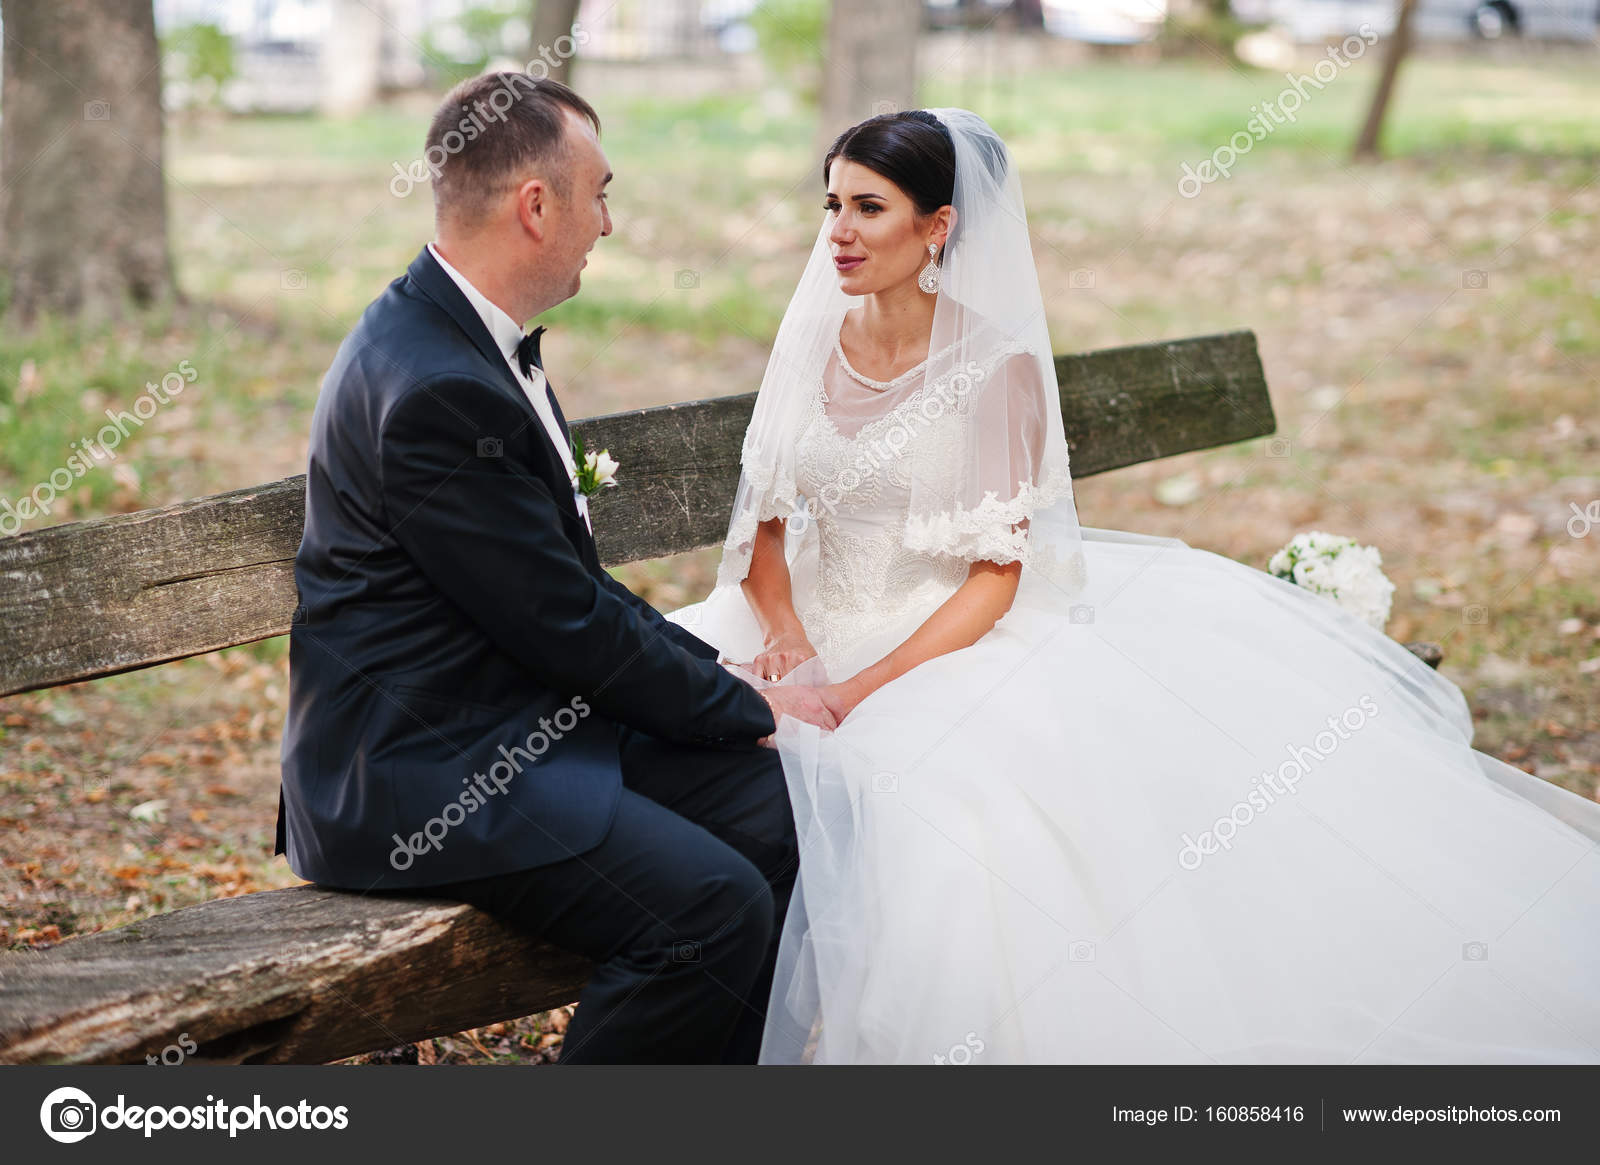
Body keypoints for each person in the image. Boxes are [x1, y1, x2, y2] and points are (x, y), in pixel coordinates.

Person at [666, 107, 1600, 1064]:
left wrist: (850, 695)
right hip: (808, 623)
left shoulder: (994, 368)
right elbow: (765, 528)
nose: (839, 231)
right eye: (831, 205)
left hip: (945, 641)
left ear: (937, 226)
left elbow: (994, 579)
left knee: (954, 839)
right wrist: (785, 634)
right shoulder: (811, 342)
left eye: (869, 207)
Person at [275, 73, 834, 1064]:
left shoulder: (462, 338)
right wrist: (746, 709)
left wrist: (729, 690)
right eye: (601, 193)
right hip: (423, 772)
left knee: (792, 816)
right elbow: (564, 624)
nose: (607, 224)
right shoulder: (436, 389)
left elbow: (567, 594)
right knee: (710, 908)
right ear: (537, 206)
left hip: (517, 722)